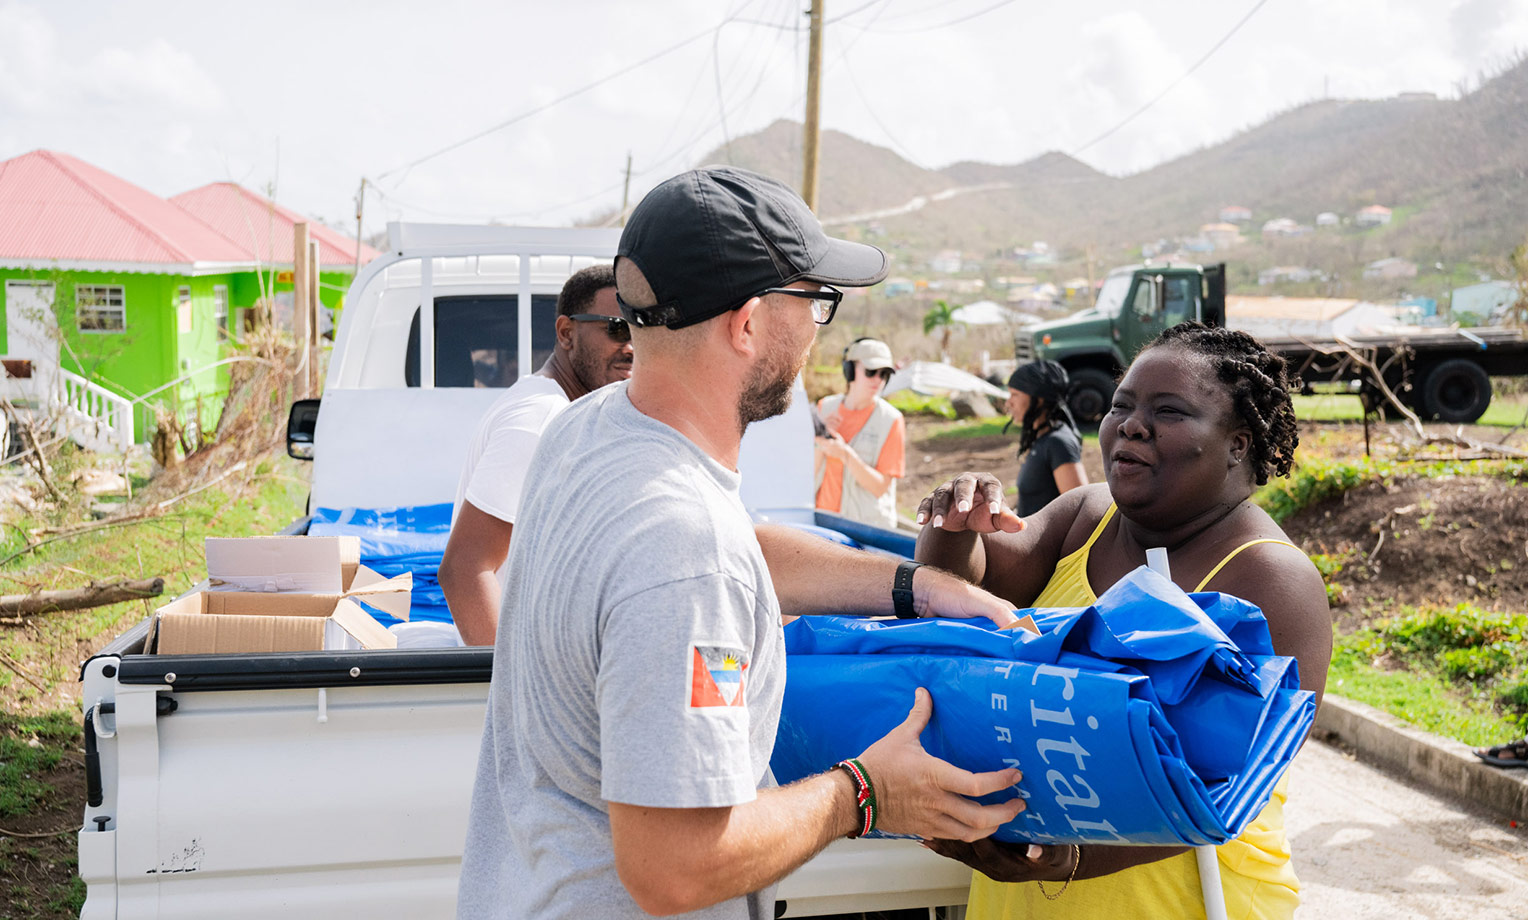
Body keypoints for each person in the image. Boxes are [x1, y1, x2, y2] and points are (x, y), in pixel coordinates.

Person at [456, 166, 1029, 920]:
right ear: (750, 321)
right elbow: (675, 870)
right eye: (815, 302)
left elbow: (729, 544)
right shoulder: (684, 552)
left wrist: (914, 586)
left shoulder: (588, 431)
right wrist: (865, 794)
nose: (817, 330)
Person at [913, 322, 1332, 920]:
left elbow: (1230, 788)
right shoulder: (1086, 517)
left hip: (1175, 903)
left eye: (1169, 410)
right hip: (1022, 896)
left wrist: (1069, 857)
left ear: (1238, 444)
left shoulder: (1272, 579)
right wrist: (955, 524)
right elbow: (964, 584)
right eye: (1121, 405)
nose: (1133, 424)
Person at [439, 264, 632, 646]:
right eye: (616, 328)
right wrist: (504, 689)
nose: (631, 347)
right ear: (566, 333)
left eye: (641, 330)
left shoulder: (561, 409)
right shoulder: (541, 420)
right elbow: (465, 569)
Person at [814, 337, 907, 528]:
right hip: (819, 521)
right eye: (871, 371)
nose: (877, 380)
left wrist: (846, 455)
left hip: (863, 531)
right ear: (849, 370)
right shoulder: (824, 407)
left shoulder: (892, 420)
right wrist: (820, 443)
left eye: (884, 374)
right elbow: (807, 472)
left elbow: (880, 487)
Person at [1004, 360, 1088, 516]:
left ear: (1039, 398)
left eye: (1015, 394)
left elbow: (1080, 511)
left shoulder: (1058, 443)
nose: (1008, 402)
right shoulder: (1040, 437)